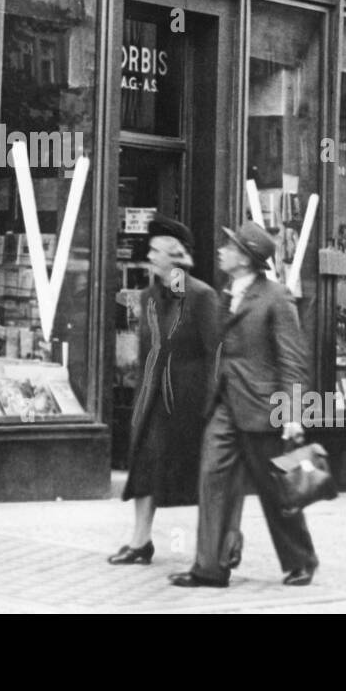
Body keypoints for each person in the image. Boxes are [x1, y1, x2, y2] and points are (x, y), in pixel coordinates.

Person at [169, 222, 318, 589]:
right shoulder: (225, 293)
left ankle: (301, 560)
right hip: (223, 403)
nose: (221, 250)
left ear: (247, 258)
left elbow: (293, 360)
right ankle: (210, 567)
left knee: (276, 489)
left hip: (263, 408)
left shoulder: (276, 297)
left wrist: (293, 413)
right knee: (212, 478)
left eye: (230, 246)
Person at [109, 215, 219, 565]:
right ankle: (140, 541)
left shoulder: (201, 296)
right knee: (143, 463)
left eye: (158, 251)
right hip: (152, 396)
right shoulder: (148, 297)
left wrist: (212, 403)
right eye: (151, 250)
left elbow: (217, 352)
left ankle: (219, 545)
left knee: (198, 475)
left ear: (175, 256)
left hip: (189, 402)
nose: (150, 256)